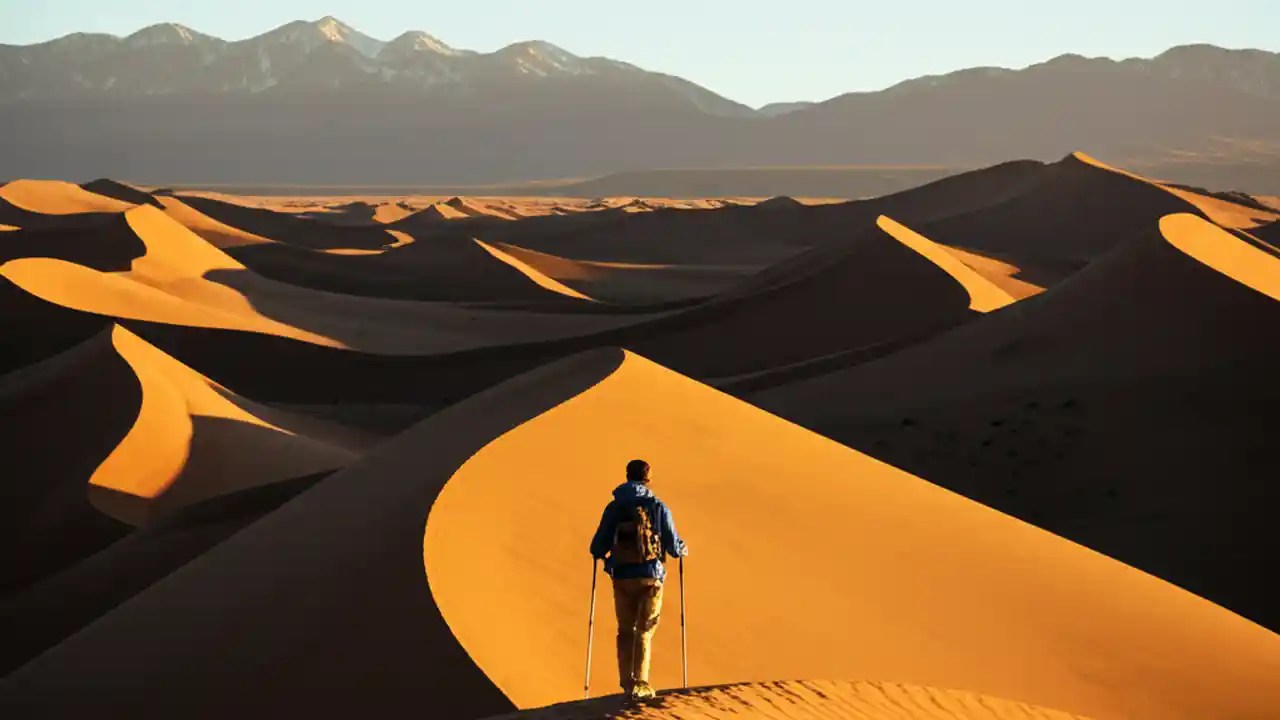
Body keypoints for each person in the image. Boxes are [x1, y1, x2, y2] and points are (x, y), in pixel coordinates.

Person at [589, 459, 687, 701]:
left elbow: (597, 546)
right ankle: (640, 683)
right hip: (650, 578)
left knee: (625, 629)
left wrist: (607, 558)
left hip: (621, 577)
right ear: (648, 478)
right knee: (644, 630)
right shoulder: (657, 506)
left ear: (626, 475)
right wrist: (683, 550)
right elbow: (674, 547)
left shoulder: (614, 508)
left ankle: (626, 683)